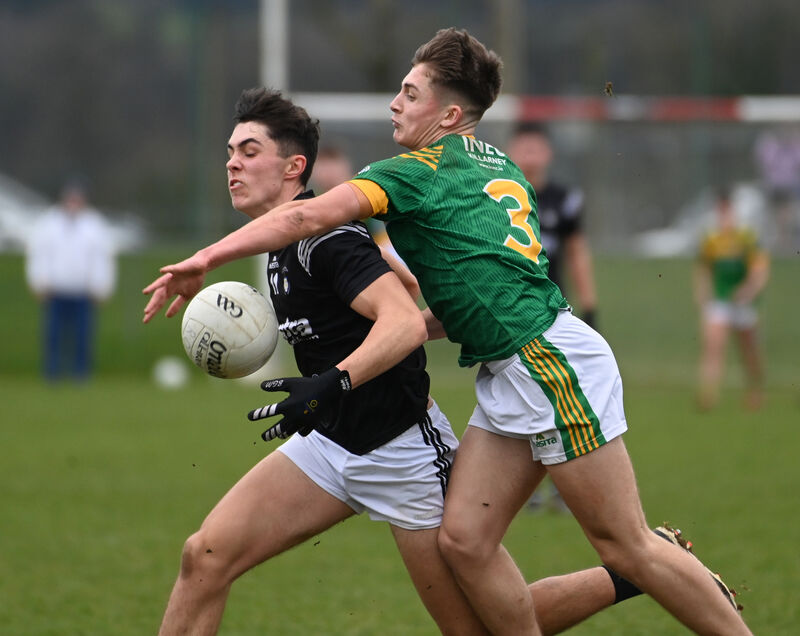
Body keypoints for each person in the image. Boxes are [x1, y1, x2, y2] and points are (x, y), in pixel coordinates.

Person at [143, 29, 748, 636]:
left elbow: (305, 218)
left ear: (450, 114)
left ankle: (668, 575)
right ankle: (645, 569)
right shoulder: (496, 166)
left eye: (409, 93)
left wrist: (207, 260)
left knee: (625, 545)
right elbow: (478, 300)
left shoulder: (415, 173)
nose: (394, 104)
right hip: (502, 371)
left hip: (545, 363)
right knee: (464, 542)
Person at [506, 121, 599, 513]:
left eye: (536, 147)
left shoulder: (564, 199)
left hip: (554, 314)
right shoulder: (499, 194)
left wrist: (590, 305)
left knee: (563, 403)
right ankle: (526, 490)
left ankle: (564, 487)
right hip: (512, 316)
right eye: (522, 147)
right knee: (523, 403)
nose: (529, 155)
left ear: (548, 153)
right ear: (511, 150)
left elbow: (578, 253)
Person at [25, 179, 116, 381]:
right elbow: (39, 255)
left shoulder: (94, 225)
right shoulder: (48, 224)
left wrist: (102, 287)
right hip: (56, 291)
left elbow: (102, 258)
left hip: (83, 292)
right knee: (54, 337)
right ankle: (52, 374)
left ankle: (81, 375)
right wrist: (39, 282)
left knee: (83, 338)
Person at [694, 187, 770, 411]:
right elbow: (703, 268)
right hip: (720, 299)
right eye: (721, 210)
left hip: (743, 302)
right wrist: (702, 291)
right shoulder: (712, 237)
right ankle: (709, 395)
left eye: (727, 209)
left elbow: (760, 269)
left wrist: (749, 290)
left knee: (749, 350)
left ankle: (755, 391)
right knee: (713, 345)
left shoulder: (746, 236)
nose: (724, 214)